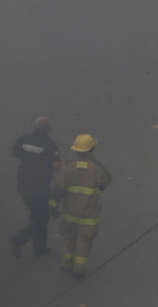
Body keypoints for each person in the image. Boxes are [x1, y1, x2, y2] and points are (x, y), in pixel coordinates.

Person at [52, 133, 113, 279]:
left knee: (69, 238)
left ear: (75, 150)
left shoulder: (67, 167)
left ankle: (67, 262)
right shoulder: (97, 169)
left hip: (69, 213)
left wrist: (53, 206)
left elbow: (58, 189)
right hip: (88, 216)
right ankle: (79, 269)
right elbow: (105, 183)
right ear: (91, 150)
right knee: (84, 242)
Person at [7, 117, 58, 258]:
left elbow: (14, 152)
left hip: (23, 184)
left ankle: (40, 248)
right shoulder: (50, 145)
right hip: (40, 187)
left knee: (36, 214)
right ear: (48, 130)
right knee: (42, 217)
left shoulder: (24, 140)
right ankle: (19, 239)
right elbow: (57, 164)